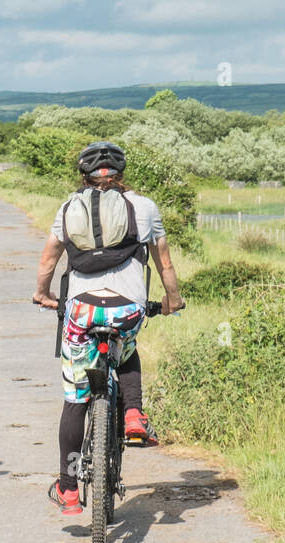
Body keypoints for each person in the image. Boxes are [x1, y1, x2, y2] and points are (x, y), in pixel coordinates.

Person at [31, 141, 184, 515]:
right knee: (127, 349)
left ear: (83, 176)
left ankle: (68, 489)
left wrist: (42, 294)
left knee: (74, 398)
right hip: (128, 308)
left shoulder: (68, 208)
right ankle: (133, 415)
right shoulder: (145, 207)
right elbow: (164, 264)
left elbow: (48, 260)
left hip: (81, 310)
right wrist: (172, 301)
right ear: (121, 175)